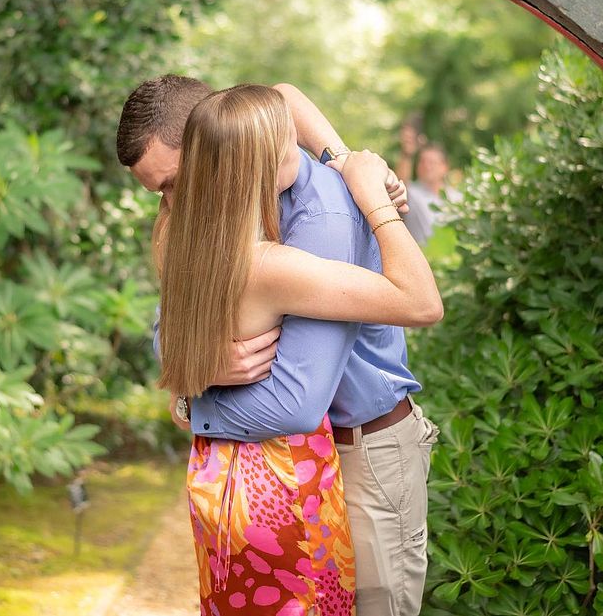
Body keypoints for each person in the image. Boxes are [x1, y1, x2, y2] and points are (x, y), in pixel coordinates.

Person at [117, 75, 441, 616]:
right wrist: (194, 358)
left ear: (216, 145)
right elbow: (167, 322)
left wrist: (192, 402)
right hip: (292, 462)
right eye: (159, 193)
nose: (171, 204)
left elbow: (296, 404)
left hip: (360, 451)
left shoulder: (322, 220)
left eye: (173, 182)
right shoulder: (218, 216)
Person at [403, 143, 458, 245]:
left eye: (432, 162)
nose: (427, 166)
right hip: (420, 258)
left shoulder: (457, 198)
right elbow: (399, 183)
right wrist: (407, 155)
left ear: (444, 167)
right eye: (422, 162)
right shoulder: (411, 193)